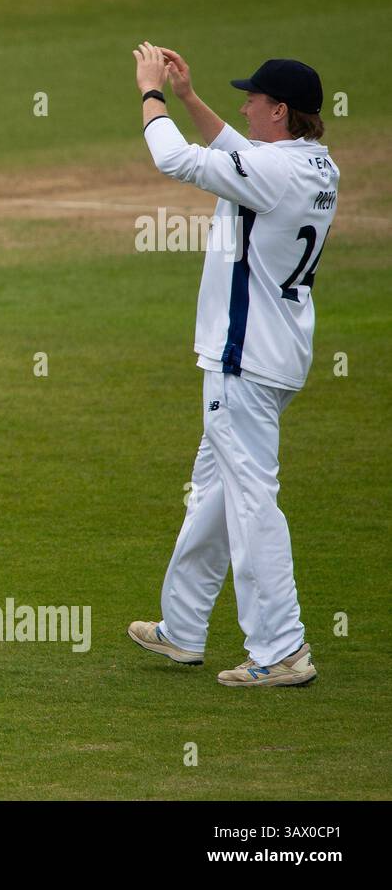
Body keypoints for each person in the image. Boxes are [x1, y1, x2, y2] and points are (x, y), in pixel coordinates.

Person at [127, 43, 338, 687]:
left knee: (249, 501)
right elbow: (236, 155)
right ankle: (183, 628)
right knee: (214, 492)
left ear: (279, 111)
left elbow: (174, 159)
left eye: (253, 98)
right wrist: (190, 98)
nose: (243, 105)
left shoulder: (271, 172)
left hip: (243, 358)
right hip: (275, 354)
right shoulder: (315, 166)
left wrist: (151, 94)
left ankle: (281, 649)